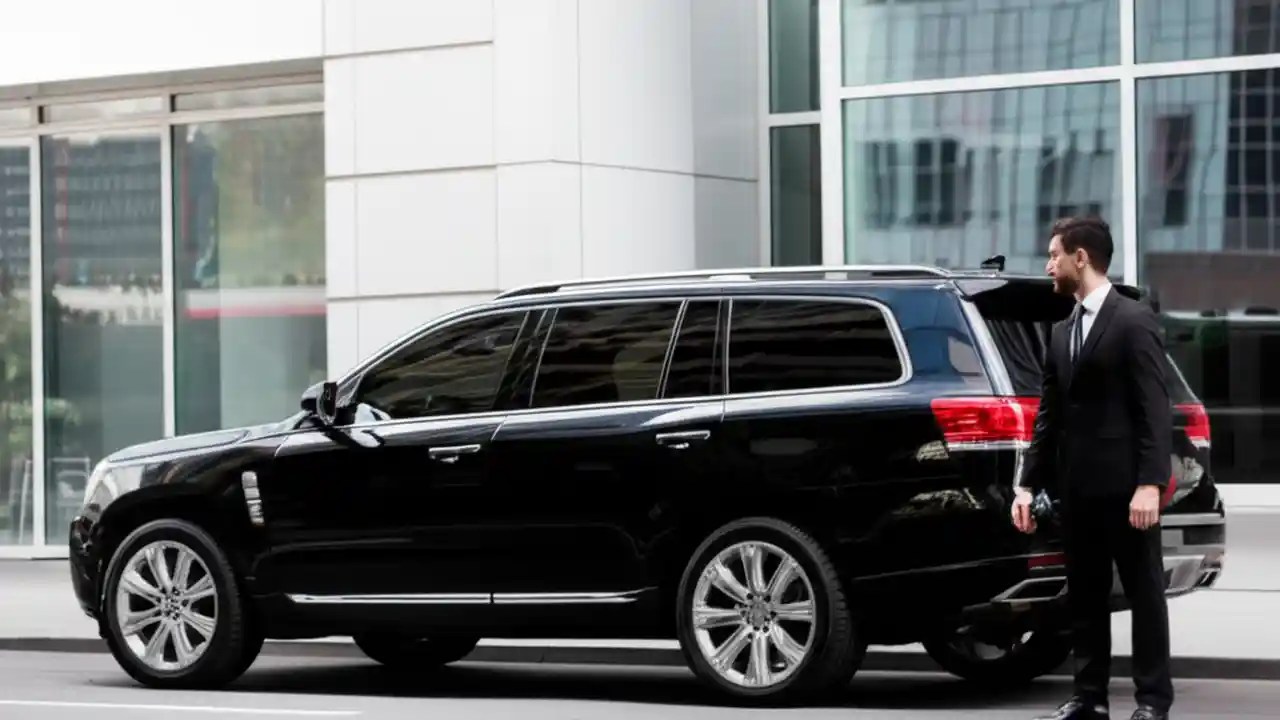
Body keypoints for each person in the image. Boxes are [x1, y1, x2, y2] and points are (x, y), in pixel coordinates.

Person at [1012, 217, 1174, 720]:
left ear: (1080, 258)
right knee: (1085, 597)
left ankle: (1151, 702)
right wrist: (1026, 484)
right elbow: (1049, 415)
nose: (1048, 266)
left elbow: (1154, 407)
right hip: (1075, 490)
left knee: (1145, 596)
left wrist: (1149, 483)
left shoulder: (1132, 318)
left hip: (1128, 491)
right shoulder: (1061, 331)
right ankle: (1089, 698)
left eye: (1054, 255)